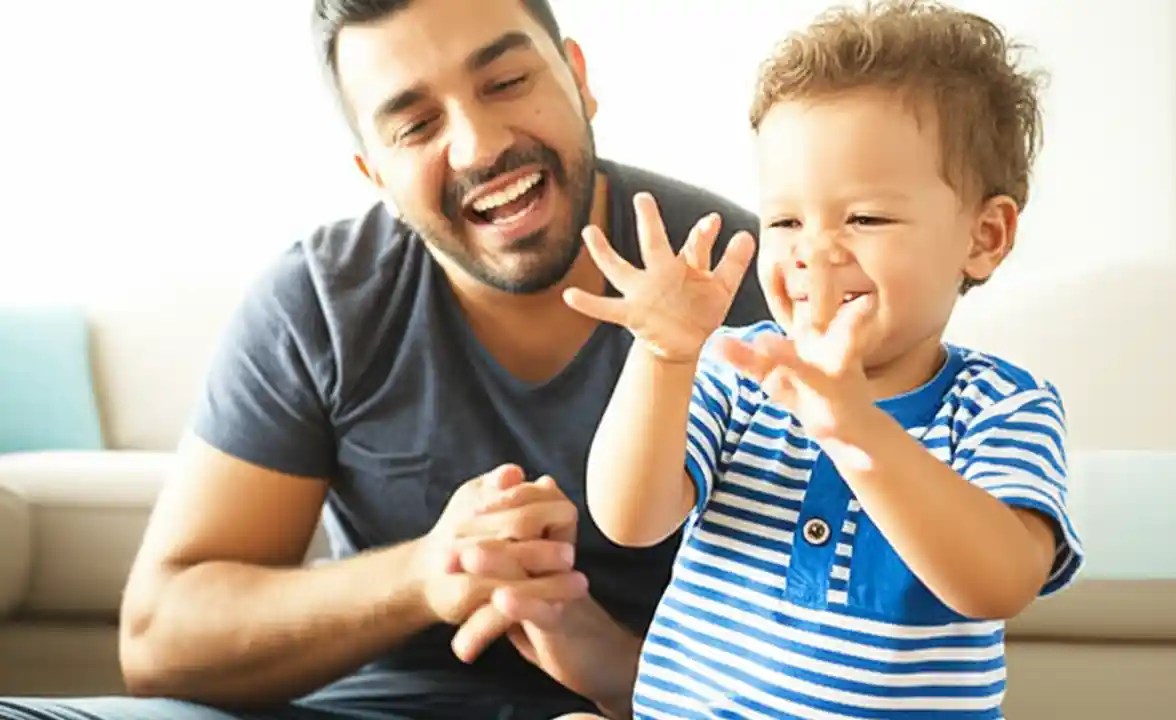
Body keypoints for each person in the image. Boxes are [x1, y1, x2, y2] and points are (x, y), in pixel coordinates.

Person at [0, 1, 767, 719]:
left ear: (578, 77)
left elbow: (830, 665)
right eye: (415, 125)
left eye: (506, 82)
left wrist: (618, 663)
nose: (479, 146)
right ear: (376, 176)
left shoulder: (757, 277)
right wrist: (426, 573)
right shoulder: (322, 303)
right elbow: (159, 643)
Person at [562, 1, 1085, 717]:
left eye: (865, 217)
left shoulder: (1001, 406)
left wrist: (856, 429)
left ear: (984, 236)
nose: (814, 250)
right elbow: (628, 518)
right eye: (785, 220)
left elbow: (1000, 583)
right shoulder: (740, 368)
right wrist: (662, 357)